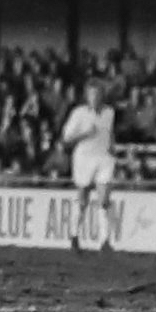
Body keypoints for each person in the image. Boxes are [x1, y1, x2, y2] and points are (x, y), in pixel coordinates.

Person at [60, 80, 119, 251]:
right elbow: (66, 138)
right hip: (84, 159)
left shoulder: (109, 112)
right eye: (92, 94)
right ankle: (74, 234)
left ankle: (104, 240)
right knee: (83, 198)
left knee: (104, 198)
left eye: (98, 94)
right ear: (87, 96)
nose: (95, 97)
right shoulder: (78, 113)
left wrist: (113, 147)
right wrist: (85, 133)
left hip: (104, 158)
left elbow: (110, 132)